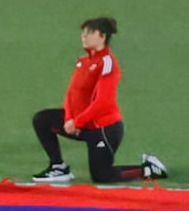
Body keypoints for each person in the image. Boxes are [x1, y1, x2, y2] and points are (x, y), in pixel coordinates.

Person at [29, 15, 164, 187]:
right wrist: (70, 118)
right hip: (81, 124)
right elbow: (71, 94)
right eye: (83, 32)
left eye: (90, 32)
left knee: (102, 175)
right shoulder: (82, 62)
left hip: (103, 129)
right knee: (42, 120)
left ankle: (149, 169)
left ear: (102, 36)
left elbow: (103, 102)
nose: (84, 36)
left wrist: (77, 122)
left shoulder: (107, 63)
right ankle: (58, 166)